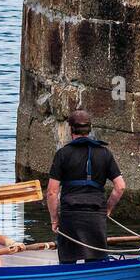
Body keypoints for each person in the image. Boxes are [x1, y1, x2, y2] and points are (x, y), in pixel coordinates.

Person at [46, 110, 127, 264]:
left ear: (70, 129)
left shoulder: (63, 154)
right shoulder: (105, 153)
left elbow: (52, 192)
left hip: (70, 216)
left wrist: (54, 219)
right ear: (90, 129)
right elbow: (120, 187)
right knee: (95, 264)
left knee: (68, 264)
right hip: (96, 215)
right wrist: (107, 208)